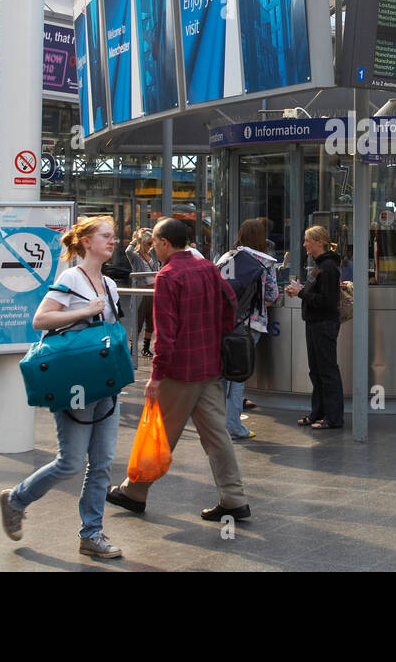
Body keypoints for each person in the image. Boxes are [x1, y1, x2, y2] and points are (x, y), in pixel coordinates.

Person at [106, 217, 249, 521]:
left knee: (160, 433)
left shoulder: (168, 276)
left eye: (154, 242)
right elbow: (230, 303)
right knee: (217, 436)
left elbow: (165, 334)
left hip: (179, 373)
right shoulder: (209, 268)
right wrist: (216, 336)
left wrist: (156, 376)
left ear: (164, 243)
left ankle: (134, 492)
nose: (153, 247)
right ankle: (234, 498)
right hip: (210, 368)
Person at [0, 216, 125, 559]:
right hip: (76, 383)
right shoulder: (71, 278)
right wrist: (83, 310)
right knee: (70, 462)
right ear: (87, 242)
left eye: (114, 237)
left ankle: (91, 534)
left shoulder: (110, 285)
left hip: (105, 382)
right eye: (106, 236)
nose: (113, 241)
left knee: (102, 463)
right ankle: (16, 500)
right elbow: (41, 320)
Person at [214, 219, 281, 440]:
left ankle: (217, 426)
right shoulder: (265, 263)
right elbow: (272, 295)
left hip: (224, 323)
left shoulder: (226, 258)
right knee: (238, 378)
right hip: (249, 325)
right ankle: (234, 427)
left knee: (223, 376)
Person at [286, 224, 344, 430]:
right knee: (317, 370)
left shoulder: (327, 268)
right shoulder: (320, 265)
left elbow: (326, 300)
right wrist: (300, 291)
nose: (304, 244)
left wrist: (301, 293)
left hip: (323, 323)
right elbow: (318, 295)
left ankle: (333, 417)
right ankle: (318, 412)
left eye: (307, 240)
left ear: (319, 242)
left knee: (326, 371)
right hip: (315, 323)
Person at [125, 229, 158, 358]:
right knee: (138, 320)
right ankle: (133, 348)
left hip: (153, 291)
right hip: (141, 290)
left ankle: (145, 348)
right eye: (148, 243)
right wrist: (136, 238)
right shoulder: (136, 256)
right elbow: (127, 251)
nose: (151, 245)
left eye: (151, 242)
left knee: (151, 321)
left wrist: (148, 231)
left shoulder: (152, 254)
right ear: (142, 242)